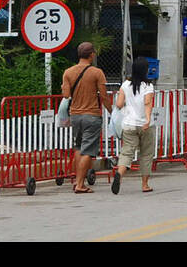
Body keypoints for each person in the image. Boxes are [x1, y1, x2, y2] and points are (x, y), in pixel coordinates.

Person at [62, 42, 109, 193]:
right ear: (92, 55)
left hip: (75, 115)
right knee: (88, 150)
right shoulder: (97, 72)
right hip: (92, 115)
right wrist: (112, 111)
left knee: (78, 147)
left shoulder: (68, 72)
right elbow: (103, 96)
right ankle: (80, 184)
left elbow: (66, 95)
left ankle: (78, 180)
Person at [112, 57, 156, 194]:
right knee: (146, 154)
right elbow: (147, 103)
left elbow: (119, 104)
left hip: (129, 124)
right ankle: (145, 184)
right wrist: (147, 119)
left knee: (127, 152)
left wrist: (128, 104)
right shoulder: (148, 86)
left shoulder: (125, 85)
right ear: (145, 70)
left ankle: (119, 173)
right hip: (145, 125)